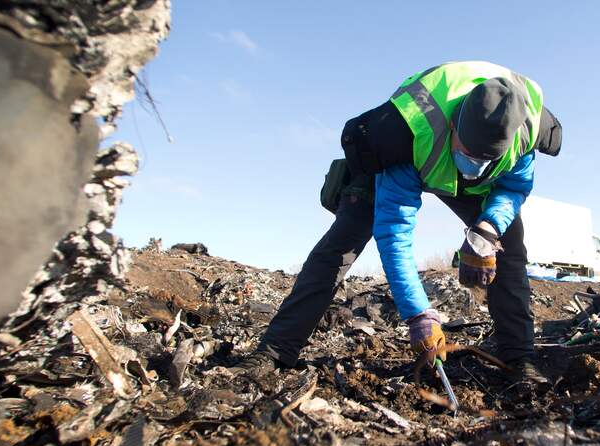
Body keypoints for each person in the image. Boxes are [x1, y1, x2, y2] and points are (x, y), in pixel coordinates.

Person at [235, 61, 563, 383]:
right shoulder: (406, 133)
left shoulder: (523, 136)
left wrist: (487, 229)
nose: (472, 164)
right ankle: (276, 350)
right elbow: (394, 232)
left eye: (484, 159)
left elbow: (514, 187)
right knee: (341, 245)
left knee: (509, 248)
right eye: (467, 152)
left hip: (476, 183)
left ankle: (519, 358)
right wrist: (418, 313)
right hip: (414, 157)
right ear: (452, 127)